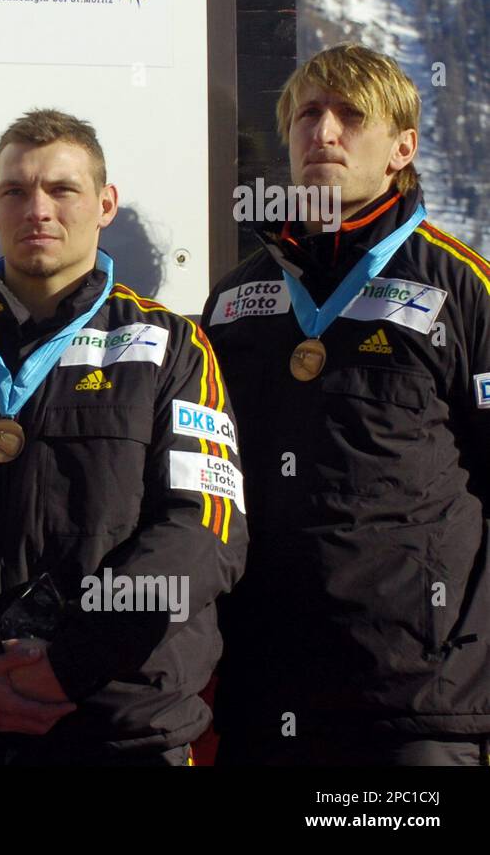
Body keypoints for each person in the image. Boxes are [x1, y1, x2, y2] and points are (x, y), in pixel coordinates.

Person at [0, 109, 248, 764]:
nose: (37, 209)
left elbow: (206, 528)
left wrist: (70, 661)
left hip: (122, 722)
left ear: (104, 204)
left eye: (62, 190)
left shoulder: (170, 345)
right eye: (15, 192)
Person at [204, 43, 490, 765]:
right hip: (266, 682)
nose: (323, 133)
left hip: (419, 697)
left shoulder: (465, 290)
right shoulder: (235, 300)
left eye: (349, 116)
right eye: (308, 114)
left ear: (402, 148)